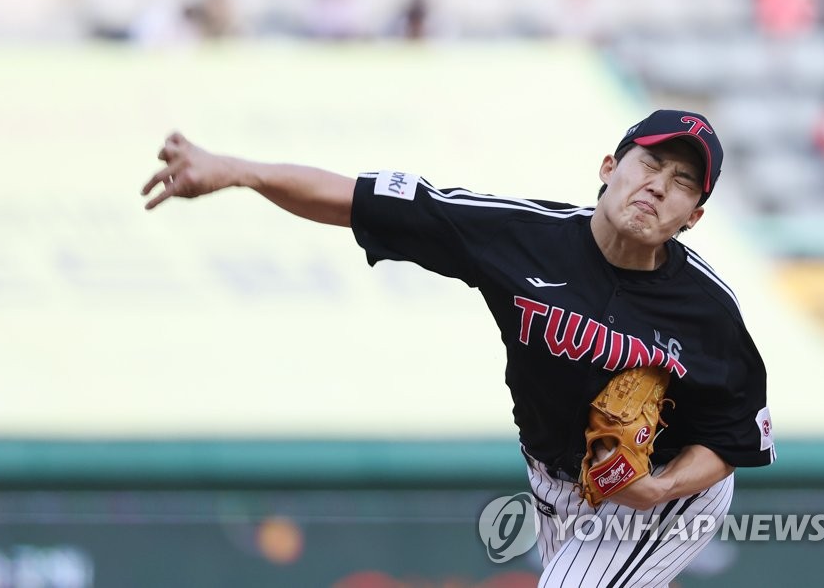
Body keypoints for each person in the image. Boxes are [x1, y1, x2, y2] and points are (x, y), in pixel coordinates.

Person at [140, 109, 775, 586]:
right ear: (609, 169)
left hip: (664, 491)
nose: (658, 185)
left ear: (692, 215)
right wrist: (236, 171)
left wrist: (660, 490)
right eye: (648, 163)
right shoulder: (518, 236)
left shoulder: (708, 313)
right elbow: (355, 199)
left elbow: (734, 437)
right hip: (556, 481)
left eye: (683, 182)